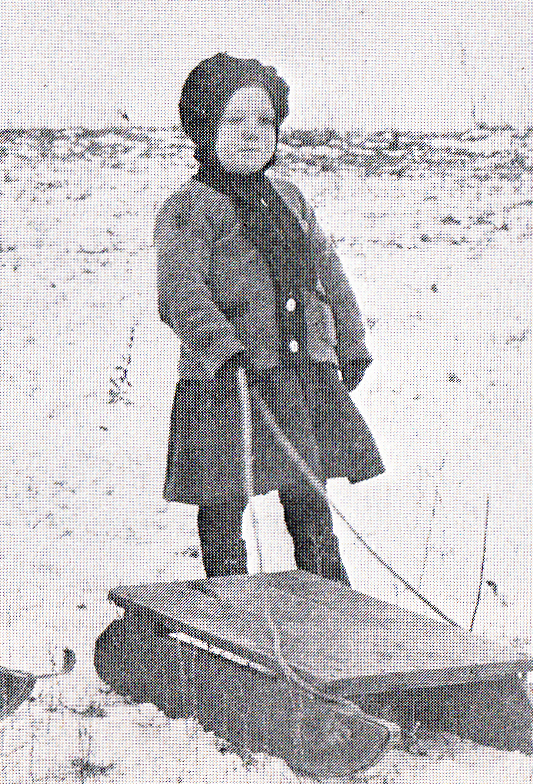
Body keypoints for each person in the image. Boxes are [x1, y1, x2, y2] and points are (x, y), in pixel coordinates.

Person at [155, 53, 384, 583]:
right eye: (234, 121)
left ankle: (332, 601)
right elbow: (180, 294)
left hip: (298, 373)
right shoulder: (190, 207)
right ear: (203, 129)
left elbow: (328, 274)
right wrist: (223, 345)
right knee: (223, 498)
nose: (250, 135)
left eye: (263, 121)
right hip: (226, 383)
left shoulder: (291, 201)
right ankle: (232, 607)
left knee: (308, 493)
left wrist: (347, 341)